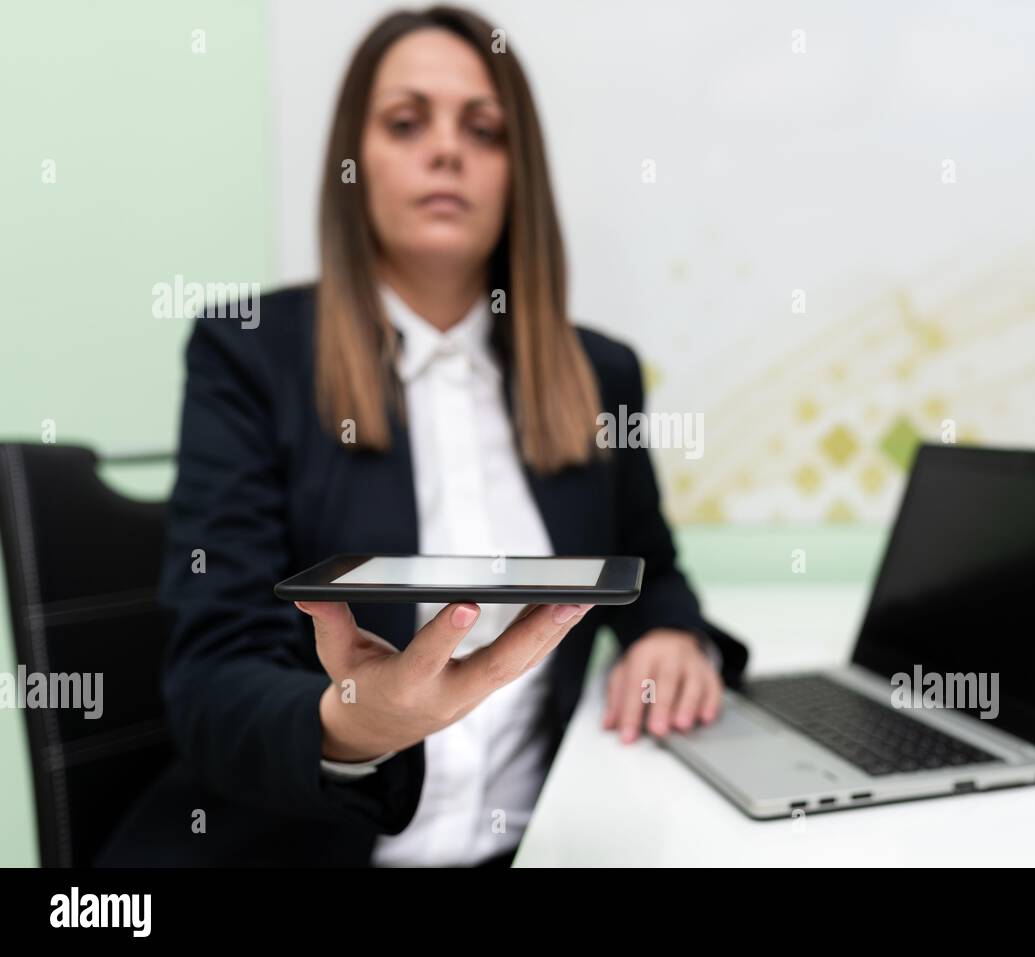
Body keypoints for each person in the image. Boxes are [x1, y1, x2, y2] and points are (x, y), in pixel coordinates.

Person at [96, 4, 747, 867]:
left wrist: (669, 633)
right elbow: (211, 677)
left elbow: (647, 563)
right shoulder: (251, 354)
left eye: (484, 129)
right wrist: (355, 725)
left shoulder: (600, 374)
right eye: (407, 123)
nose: (447, 150)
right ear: (354, 163)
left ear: (520, 172)